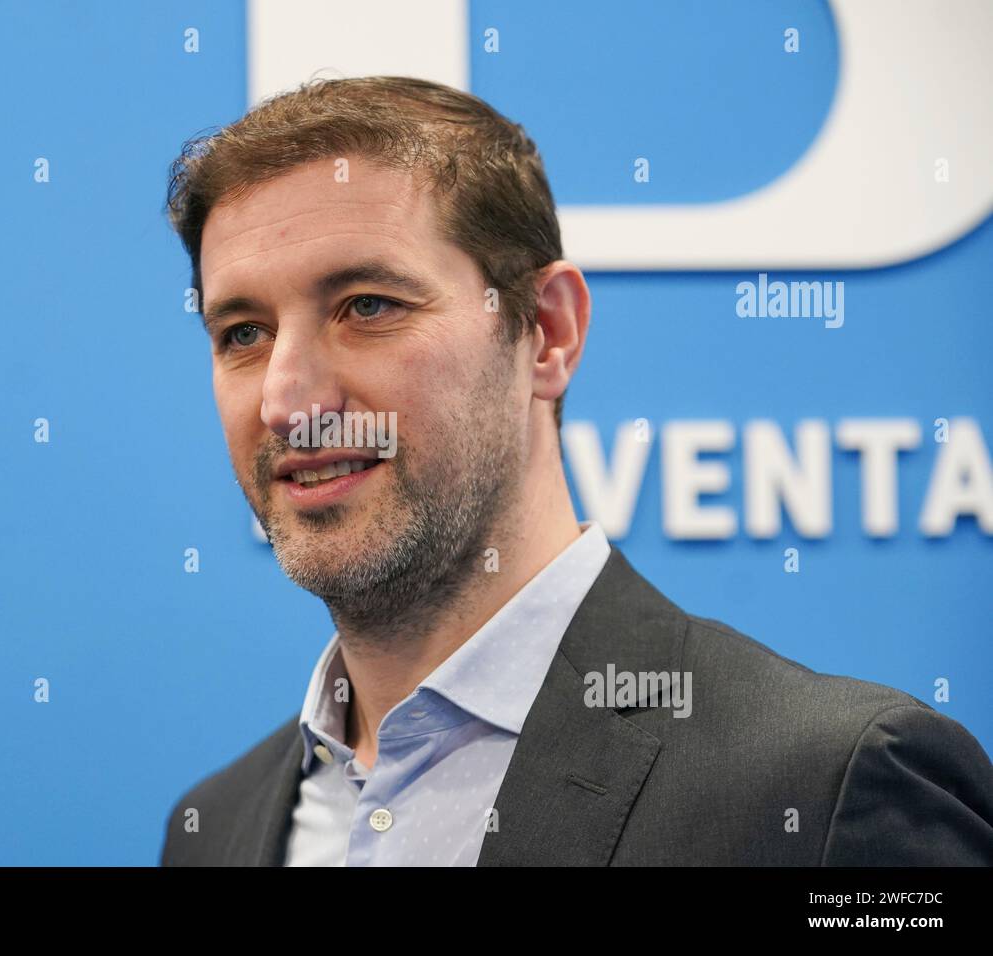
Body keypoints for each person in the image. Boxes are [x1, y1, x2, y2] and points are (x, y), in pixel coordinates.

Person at [158, 75, 993, 866]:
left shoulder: (831, 790)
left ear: (547, 333)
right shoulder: (218, 827)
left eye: (368, 307)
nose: (286, 399)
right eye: (242, 332)